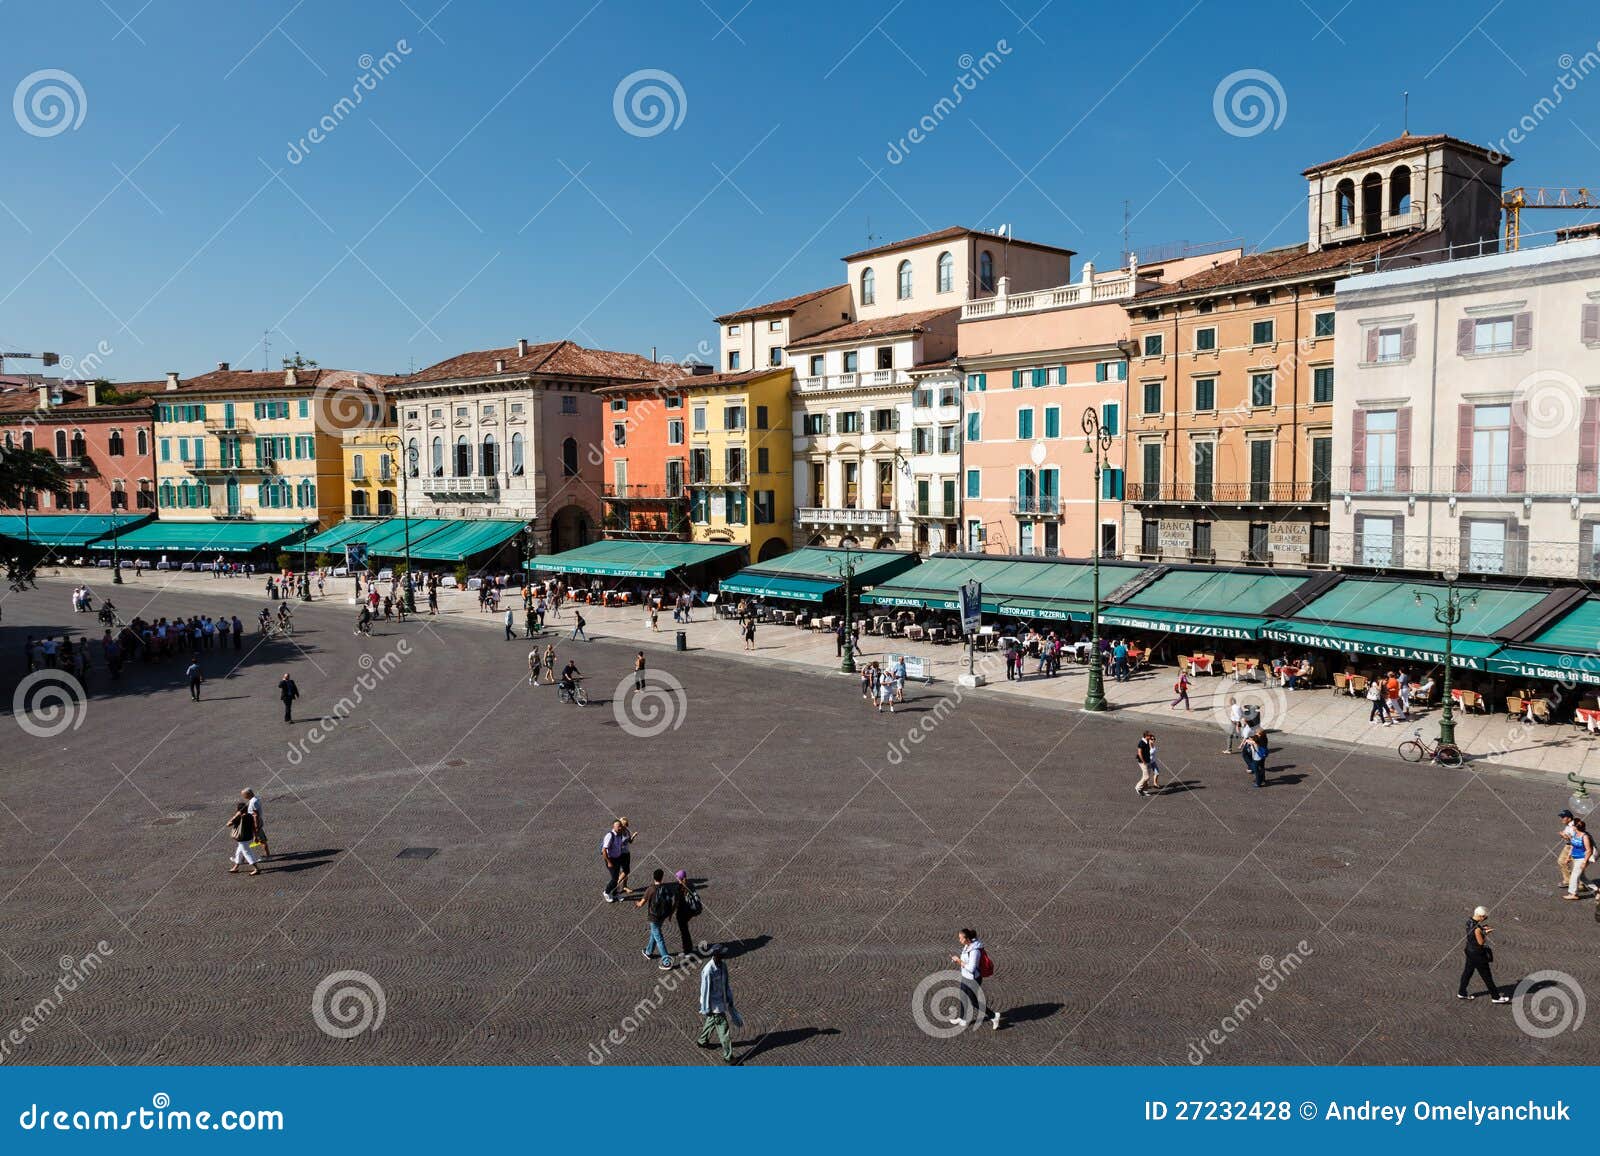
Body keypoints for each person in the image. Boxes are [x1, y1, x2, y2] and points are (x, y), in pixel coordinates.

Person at [696, 945, 743, 1063]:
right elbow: (705, 991)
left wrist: (729, 999)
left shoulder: (723, 966)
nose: (724, 956)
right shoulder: (708, 971)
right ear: (716, 955)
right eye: (722, 954)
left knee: (711, 1021)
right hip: (714, 1006)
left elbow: (726, 984)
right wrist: (706, 1009)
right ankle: (728, 1056)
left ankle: (702, 1041)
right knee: (724, 1031)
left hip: (720, 1002)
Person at [949, 928, 1000, 1030]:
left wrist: (959, 961)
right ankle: (963, 1019)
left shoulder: (974, 951)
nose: (959, 940)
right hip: (965, 976)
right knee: (963, 996)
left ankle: (993, 1016)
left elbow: (971, 968)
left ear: (967, 938)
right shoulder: (967, 946)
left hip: (973, 979)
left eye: (960, 938)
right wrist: (958, 960)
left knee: (974, 1002)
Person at [1457, 906, 1509, 1002]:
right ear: (1480, 916)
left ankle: (1462, 992)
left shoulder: (1469, 921)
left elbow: (1474, 932)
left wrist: (1482, 929)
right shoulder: (1476, 929)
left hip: (1469, 951)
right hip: (1478, 954)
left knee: (1467, 973)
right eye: (1485, 917)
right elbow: (1480, 942)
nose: (1485, 919)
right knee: (1487, 976)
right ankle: (1496, 997)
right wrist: (1485, 933)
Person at [637, 868, 677, 970]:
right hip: (662, 916)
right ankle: (648, 952)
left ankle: (666, 961)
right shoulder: (666, 888)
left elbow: (641, 903)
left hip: (653, 916)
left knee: (659, 938)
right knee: (654, 933)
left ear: (653, 877)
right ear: (662, 877)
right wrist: (671, 913)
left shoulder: (651, 889)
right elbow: (673, 901)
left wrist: (637, 904)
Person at [225, 801, 261, 876]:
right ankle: (236, 867)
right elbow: (253, 827)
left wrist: (236, 815)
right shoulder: (250, 816)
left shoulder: (240, 817)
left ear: (239, 810)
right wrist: (255, 836)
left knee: (247, 853)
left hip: (242, 839)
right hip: (249, 837)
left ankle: (256, 868)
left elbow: (228, 824)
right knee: (239, 852)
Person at [601, 818, 633, 902]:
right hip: (611, 860)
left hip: (618, 858)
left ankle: (615, 893)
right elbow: (604, 850)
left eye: (620, 827)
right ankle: (606, 892)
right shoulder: (610, 835)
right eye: (618, 827)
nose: (620, 828)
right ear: (614, 827)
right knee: (615, 879)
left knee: (617, 876)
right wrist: (609, 862)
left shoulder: (620, 834)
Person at [673, 869, 702, 958]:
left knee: (684, 932)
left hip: (682, 913)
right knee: (685, 931)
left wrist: (671, 912)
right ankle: (688, 949)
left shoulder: (680, 888)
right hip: (689, 912)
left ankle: (687, 951)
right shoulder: (690, 885)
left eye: (677, 877)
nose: (677, 879)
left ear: (680, 878)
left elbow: (676, 902)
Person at [1564, 817, 1594, 900]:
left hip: (1582, 859)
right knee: (1582, 877)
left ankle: (1573, 894)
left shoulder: (1584, 836)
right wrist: (1568, 857)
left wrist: (1584, 862)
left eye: (1572, 825)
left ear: (1575, 827)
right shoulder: (1575, 834)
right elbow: (1572, 846)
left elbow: (1588, 850)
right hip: (1575, 858)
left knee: (1574, 876)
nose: (1571, 827)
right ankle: (1597, 890)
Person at [241, 788, 269, 858]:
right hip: (254, 823)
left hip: (255, 824)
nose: (243, 796)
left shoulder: (253, 802)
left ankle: (267, 855)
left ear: (248, 794)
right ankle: (241, 857)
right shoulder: (255, 799)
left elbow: (255, 815)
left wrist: (256, 827)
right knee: (256, 840)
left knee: (261, 840)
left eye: (243, 795)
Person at [1135, 731, 1160, 796]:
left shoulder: (1147, 742)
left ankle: (1145, 790)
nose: (1151, 737)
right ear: (1146, 736)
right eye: (1150, 736)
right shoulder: (1141, 743)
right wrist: (1143, 761)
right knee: (1146, 777)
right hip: (1143, 762)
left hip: (1148, 761)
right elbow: (1139, 753)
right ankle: (1138, 787)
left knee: (1146, 777)